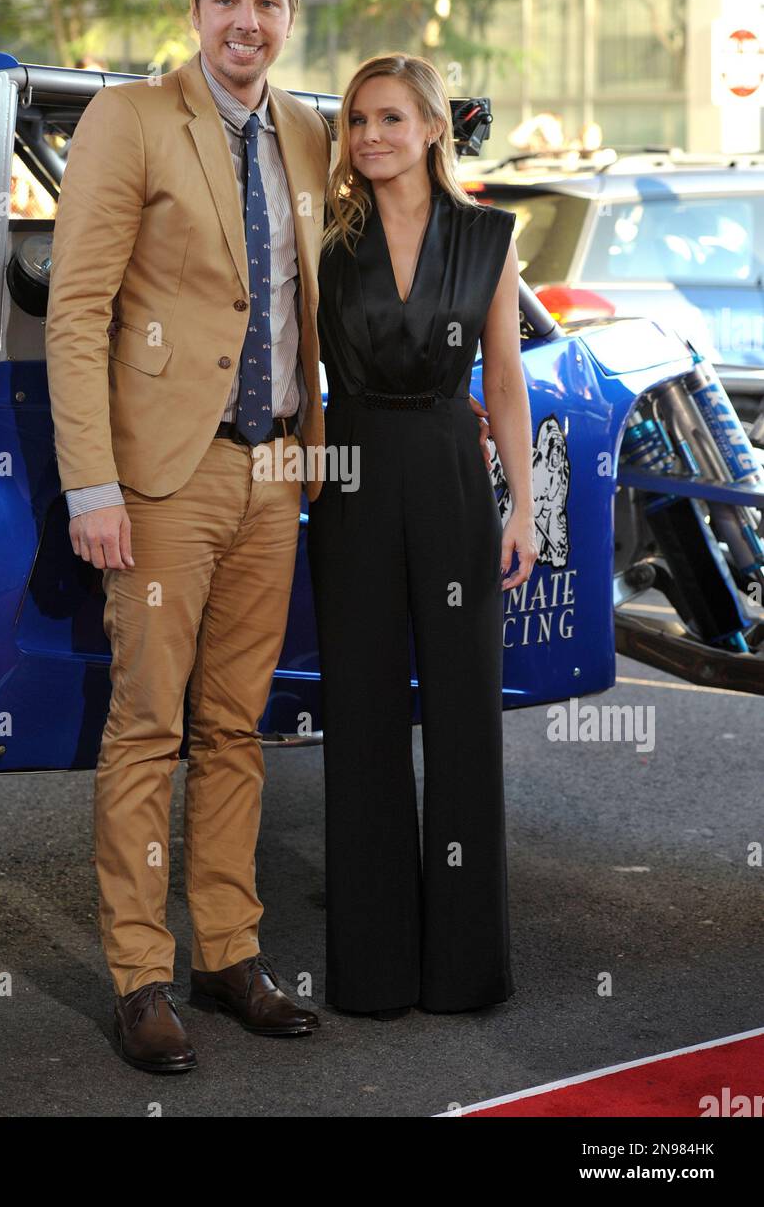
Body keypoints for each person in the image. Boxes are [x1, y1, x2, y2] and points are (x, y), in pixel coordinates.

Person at [45, 0, 332, 1074]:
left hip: (274, 471)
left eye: (266, 3)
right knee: (147, 728)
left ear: (287, 14)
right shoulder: (130, 119)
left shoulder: (307, 136)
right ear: (195, 6)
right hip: (161, 480)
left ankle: (226, 947)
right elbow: (77, 313)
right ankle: (139, 975)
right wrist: (91, 487)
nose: (245, 22)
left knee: (235, 727)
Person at [306, 53, 537, 1018]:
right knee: (357, 722)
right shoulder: (328, 236)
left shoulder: (486, 237)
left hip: (450, 472)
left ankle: (464, 969)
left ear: (434, 128)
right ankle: (371, 973)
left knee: (463, 718)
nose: (368, 137)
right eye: (357, 120)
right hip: (353, 476)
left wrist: (522, 504)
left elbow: (506, 377)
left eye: (390, 119)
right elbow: (296, 375)